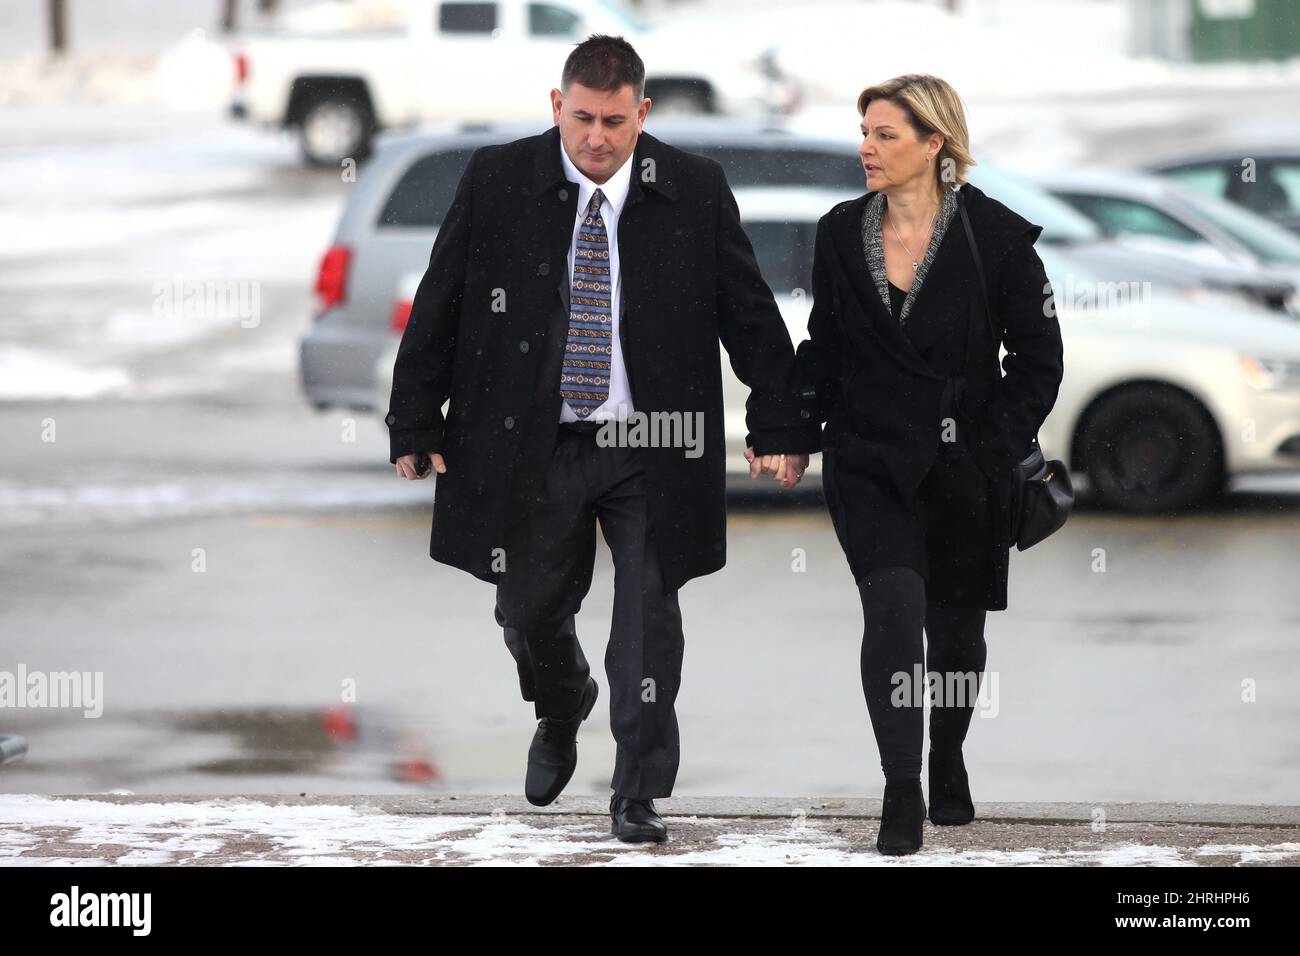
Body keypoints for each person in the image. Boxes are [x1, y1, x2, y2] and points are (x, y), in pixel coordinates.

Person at [387, 35, 817, 844]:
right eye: (581, 117)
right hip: (530, 443)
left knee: (649, 620)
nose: (596, 137)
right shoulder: (498, 179)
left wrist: (781, 422)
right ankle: (561, 702)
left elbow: (750, 317)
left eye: (615, 121)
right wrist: (414, 418)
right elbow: (441, 298)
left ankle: (637, 793)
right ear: (556, 106)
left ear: (642, 114)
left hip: (650, 443)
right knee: (527, 610)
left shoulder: (692, 189)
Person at [793, 74, 1064, 855]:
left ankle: (947, 755)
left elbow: (1039, 360)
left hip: (965, 468)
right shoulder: (841, 232)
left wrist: (990, 441)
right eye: (865, 132)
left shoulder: (997, 236)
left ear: (934, 144)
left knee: (955, 635)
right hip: (869, 459)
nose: (866, 148)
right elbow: (827, 346)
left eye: (885, 135)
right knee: (894, 611)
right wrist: (789, 426)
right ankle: (900, 788)